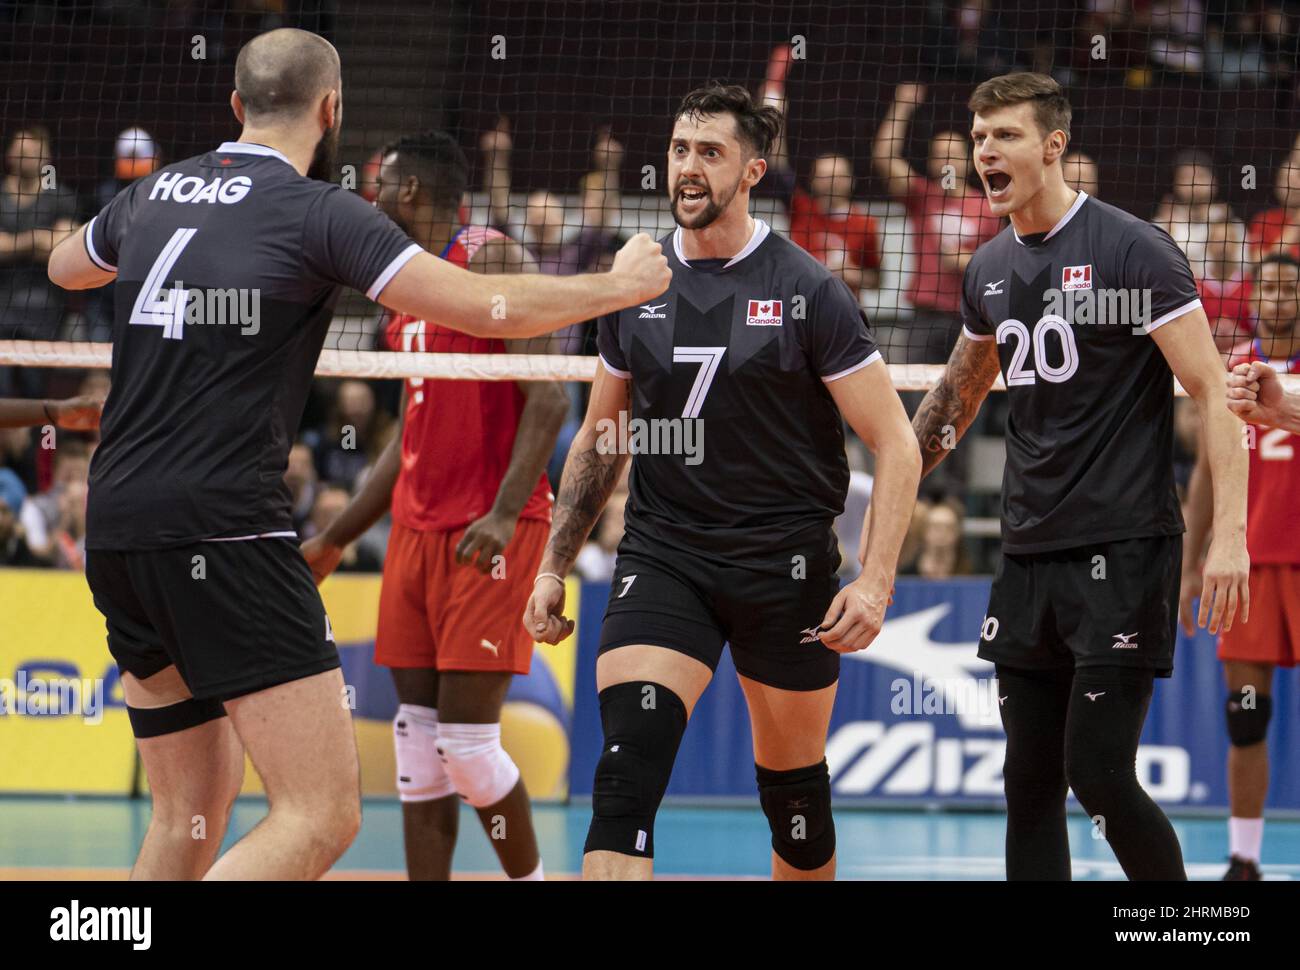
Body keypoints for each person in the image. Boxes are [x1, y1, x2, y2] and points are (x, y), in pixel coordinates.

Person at [45, 27, 669, 882]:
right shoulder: (318, 212)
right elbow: (486, 307)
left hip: (115, 527)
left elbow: (63, 267)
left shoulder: (150, 194)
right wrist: (619, 286)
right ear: (331, 110)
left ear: (234, 105)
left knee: (188, 814)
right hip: (225, 529)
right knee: (320, 815)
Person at [524, 83, 922, 881]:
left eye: (710, 153)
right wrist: (552, 565)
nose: (689, 169)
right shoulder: (632, 284)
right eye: (679, 150)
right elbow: (603, 442)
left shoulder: (809, 288)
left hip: (787, 568)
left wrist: (875, 582)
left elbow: (897, 444)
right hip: (665, 557)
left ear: (752, 173)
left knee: (797, 810)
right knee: (624, 783)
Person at [911, 72, 1248, 881]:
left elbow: (1213, 390)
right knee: (1026, 783)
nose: (985, 152)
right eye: (978, 137)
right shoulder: (987, 267)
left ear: (1054, 146)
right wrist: (877, 496)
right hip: (1030, 551)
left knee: (1095, 774)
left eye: (1006, 137)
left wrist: (1227, 534)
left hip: (1125, 545)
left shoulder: (1133, 249)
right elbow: (954, 403)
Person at [303, 130, 568, 882]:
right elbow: (410, 435)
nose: (373, 198)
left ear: (410, 192)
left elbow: (548, 401)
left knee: (469, 747)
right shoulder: (405, 288)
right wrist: (333, 537)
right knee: (417, 746)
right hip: (418, 536)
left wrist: (501, 513)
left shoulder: (490, 258)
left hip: (493, 527)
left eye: (382, 184)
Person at [1183, 254, 1300, 880]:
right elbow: (1205, 471)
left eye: (1290, 286)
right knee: (1247, 714)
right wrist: (1190, 565)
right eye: (1270, 286)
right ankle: (1245, 858)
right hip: (1249, 568)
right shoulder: (1231, 372)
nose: (1279, 297)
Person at [872, 82, 1002, 364]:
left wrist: (968, 262)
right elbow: (884, 158)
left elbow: (1000, 269)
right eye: (940, 156)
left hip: (970, 319)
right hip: (924, 316)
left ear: (970, 162)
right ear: (931, 162)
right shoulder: (922, 196)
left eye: (953, 156)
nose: (947, 163)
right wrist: (902, 108)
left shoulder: (989, 206)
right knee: (916, 394)